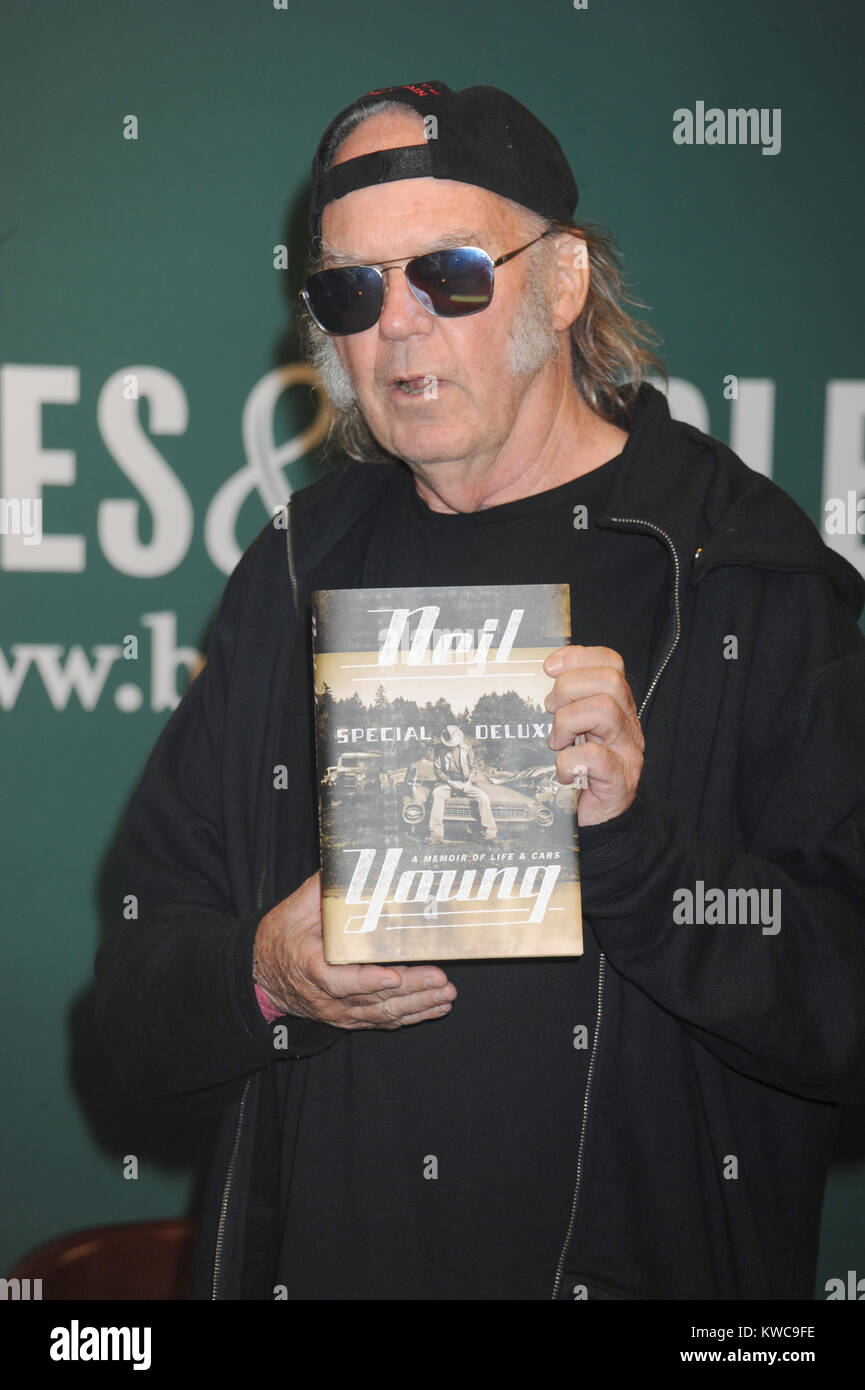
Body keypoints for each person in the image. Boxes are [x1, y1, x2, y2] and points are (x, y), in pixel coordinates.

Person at [95, 79, 865, 1301]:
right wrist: (261, 971)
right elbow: (130, 1009)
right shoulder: (291, 571)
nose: (396, 327)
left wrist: (644, 856)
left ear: (562, 286)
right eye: (351, 290)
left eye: (446, 273)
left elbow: (842, 1000)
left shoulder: (740, 579)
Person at [429, 724, 497, 843]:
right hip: (448, 783)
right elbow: (437, 770)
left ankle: (490, 834)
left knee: (483, 798)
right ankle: (436, 834)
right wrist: (450, 782)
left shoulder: (467, 747)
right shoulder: (439, 748)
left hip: (466, 782)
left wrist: (469, 783)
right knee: (437, 794)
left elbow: (474, 767)